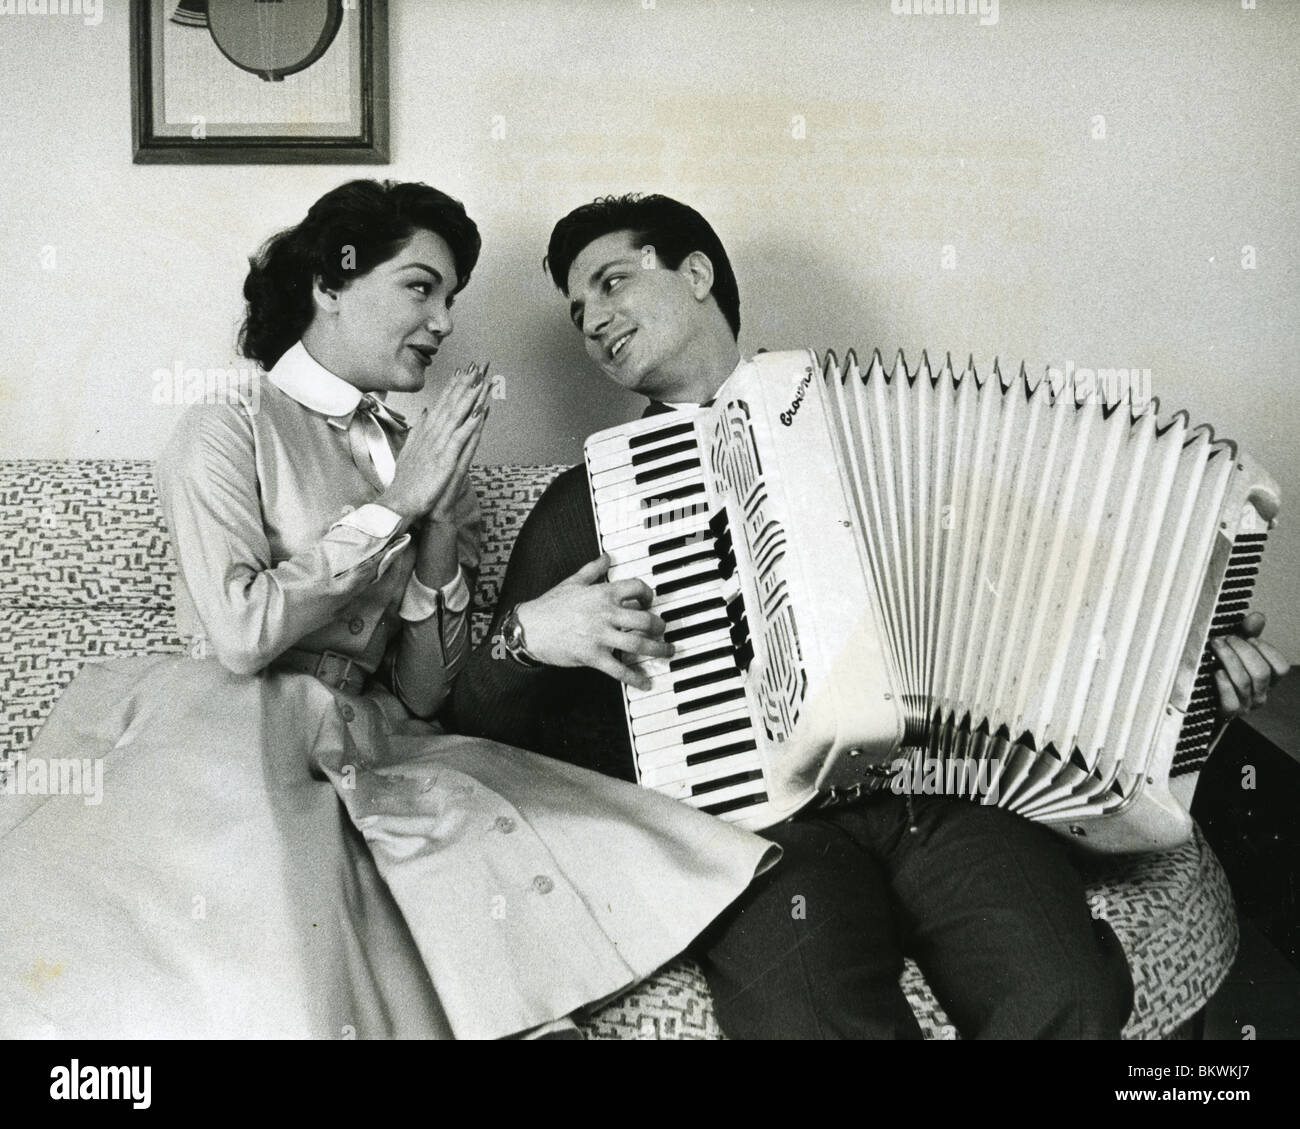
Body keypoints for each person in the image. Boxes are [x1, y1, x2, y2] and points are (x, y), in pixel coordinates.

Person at [449, 192, 1292, 1039]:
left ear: (696, 273)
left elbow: (1059, 616)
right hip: (766, 826)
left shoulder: (922, 429)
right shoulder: (594, 499)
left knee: (1066, 994)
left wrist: (1188, 668)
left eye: (611, 282)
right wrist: (528, 638)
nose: (593, 320)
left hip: (955, 790)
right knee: (812, 1023)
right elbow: (473, 713)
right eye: (577, 310)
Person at [0, 181, 776, 1041]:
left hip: (371, 737)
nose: (443, 321)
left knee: (610, 851)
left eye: (450, 299)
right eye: (420, 287)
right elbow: (241, 631)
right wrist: (398, 509)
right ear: (328, 287)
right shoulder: (226, 425)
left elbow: (421, 693)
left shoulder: (419, 451)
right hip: (228, 726)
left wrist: (440, 534)